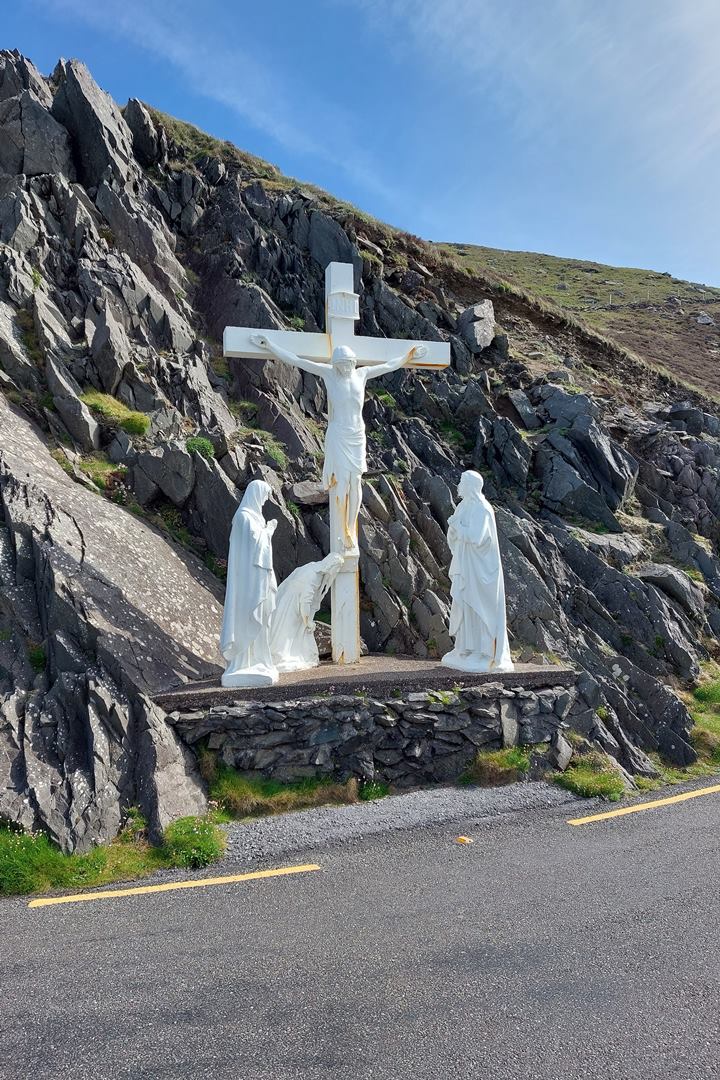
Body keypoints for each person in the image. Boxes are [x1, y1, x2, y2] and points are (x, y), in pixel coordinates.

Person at [250, 336, 420, 551]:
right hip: (339, 434)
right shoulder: (329, 374)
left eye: (346, 364)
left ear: (353, 363)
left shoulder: (362, 374)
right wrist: (272, 345)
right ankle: (341, 527)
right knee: (341, 482)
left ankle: (350, 526)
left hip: (357, 435)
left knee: (356, 481)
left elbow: (388, 365)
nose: (343, 369)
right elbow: (297, 361)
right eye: (339, 365)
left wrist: (409, 356)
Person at [441, 470, 514, 674]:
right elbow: (456, 537)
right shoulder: (464, 506)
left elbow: (476, 537)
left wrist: (457, 525)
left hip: (481, 569)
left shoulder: (483, 509)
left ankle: (484, 653)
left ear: (471, 485)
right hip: (467, 565)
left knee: (480, 608)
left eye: (462, 482)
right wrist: (454, 530)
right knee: (465, 605)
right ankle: (464, 648)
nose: (458, 485)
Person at [220, 479, 279, 687]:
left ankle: (259, 659)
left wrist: (266, 530)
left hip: (259, 579)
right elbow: (254, 548)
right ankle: (243, 661)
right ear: (255, 495)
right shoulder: (244, 518)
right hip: (248, 583)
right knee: (248, 618)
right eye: (263, 497)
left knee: (262, 620)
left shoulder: (254, 518)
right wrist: (269, 531)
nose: (263, 502)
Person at [268, 553, 344, 672]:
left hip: (285, 600)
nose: (336, 571)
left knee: (283, 629)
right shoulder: (314, 577)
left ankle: (279, 653)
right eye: (337, 568)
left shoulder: (312, 566)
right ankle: (281, 655)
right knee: (287, 632)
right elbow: (305, 602)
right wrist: (307, 621)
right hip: (294, 606)